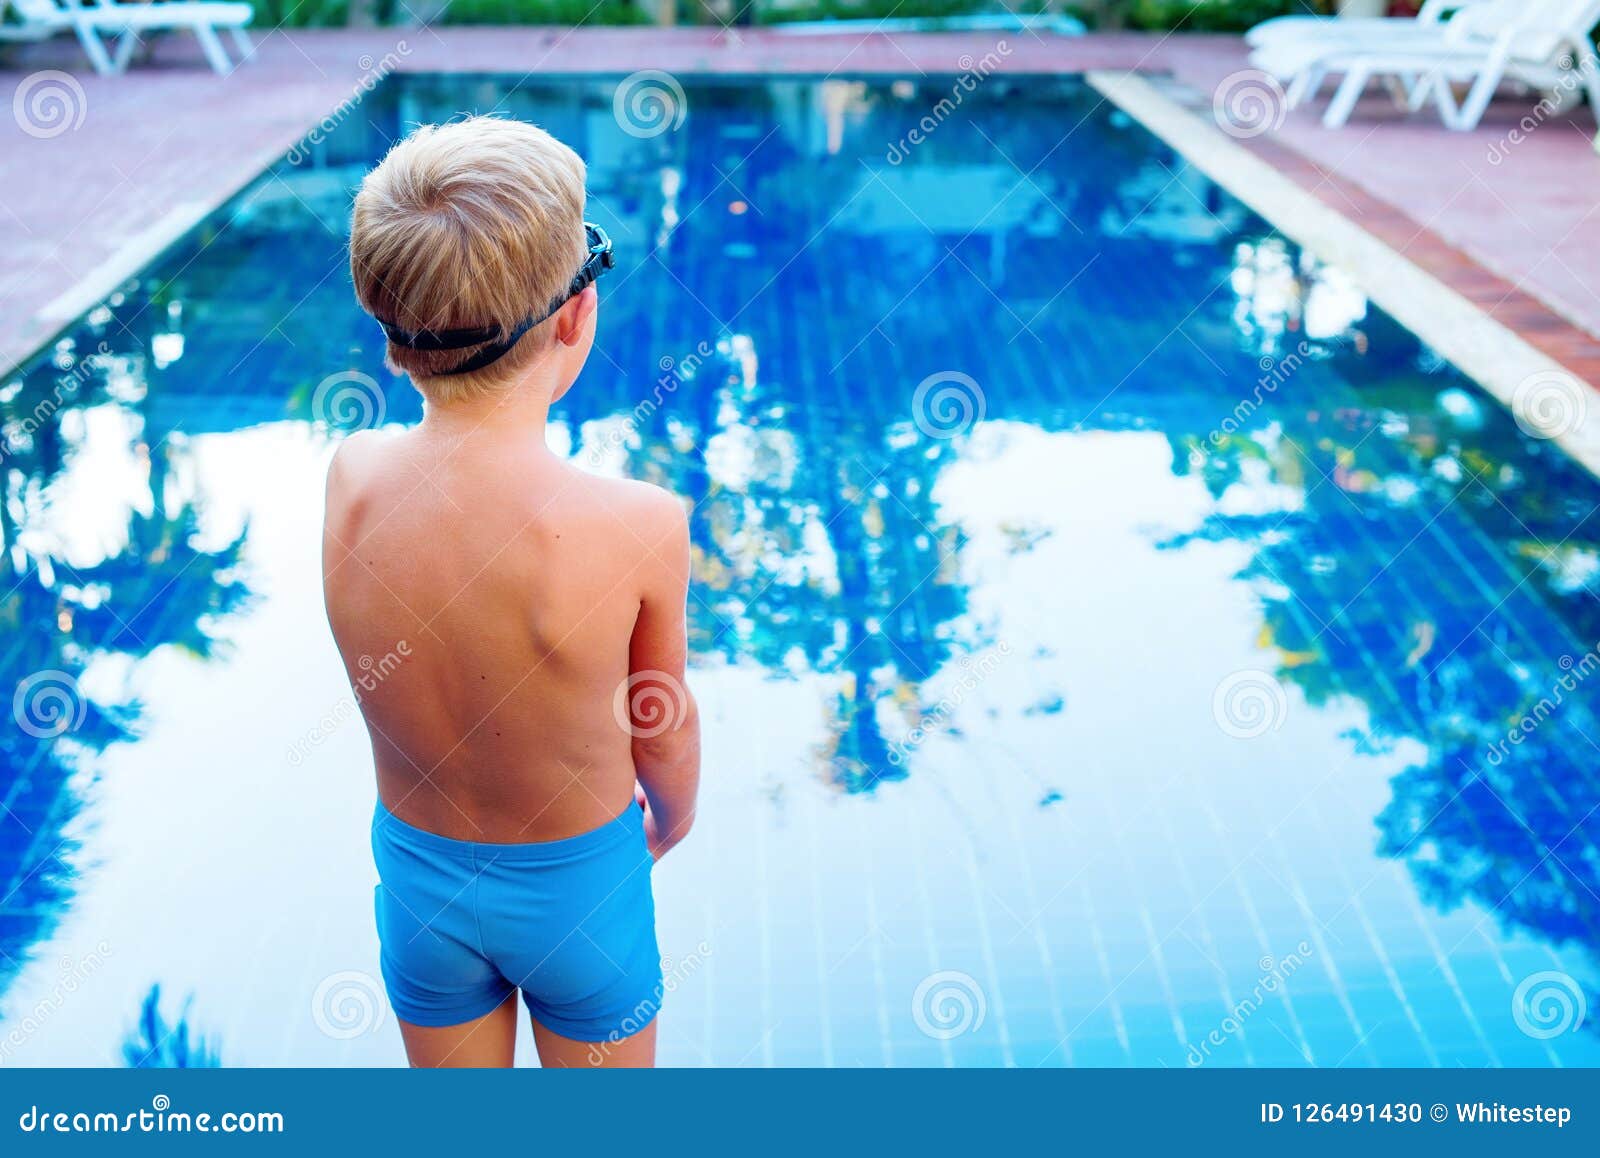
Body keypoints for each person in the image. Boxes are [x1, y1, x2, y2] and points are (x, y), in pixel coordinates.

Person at [322, 116, 700, 1068]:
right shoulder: (639, 523)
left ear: (391, 334)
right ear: (575, 317)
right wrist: (676, 811)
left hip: (419, 880)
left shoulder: (351, 477)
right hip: (582, 890)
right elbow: (660, 717)